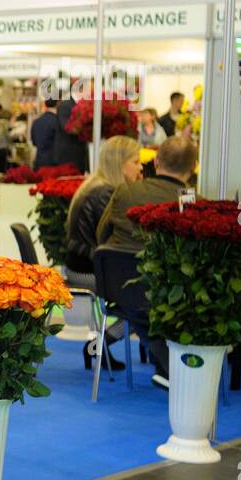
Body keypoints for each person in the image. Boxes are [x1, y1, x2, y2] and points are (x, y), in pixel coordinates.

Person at [96, 134, 199, 385]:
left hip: (117, 288)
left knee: (141, 310)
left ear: (156, 160)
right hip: (165, 293)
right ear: (193, 166)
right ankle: (175, 369)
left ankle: (169, 368)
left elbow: (101, 234)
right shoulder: (190, 201)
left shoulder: (125, 191)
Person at [64, 136, 141, 372]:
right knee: (145, 301)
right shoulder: (106, 194)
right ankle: (99, 344)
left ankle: (99, 344)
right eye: (136, 162)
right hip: (89, 273)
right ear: (121, 164)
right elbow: (116, 241)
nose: (140, 167)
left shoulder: (95, 186)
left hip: (81, 267)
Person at [54, 94, 90, 171]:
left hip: (79, 153)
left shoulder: (84, 105)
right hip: (68, 155)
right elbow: (68, 128)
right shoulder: (65, 106)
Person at [31, 97, 61, 169]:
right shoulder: (58, 122)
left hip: (38, 161)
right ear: (58, 103)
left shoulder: (36, 121)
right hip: (53, 163)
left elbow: (34, 142)